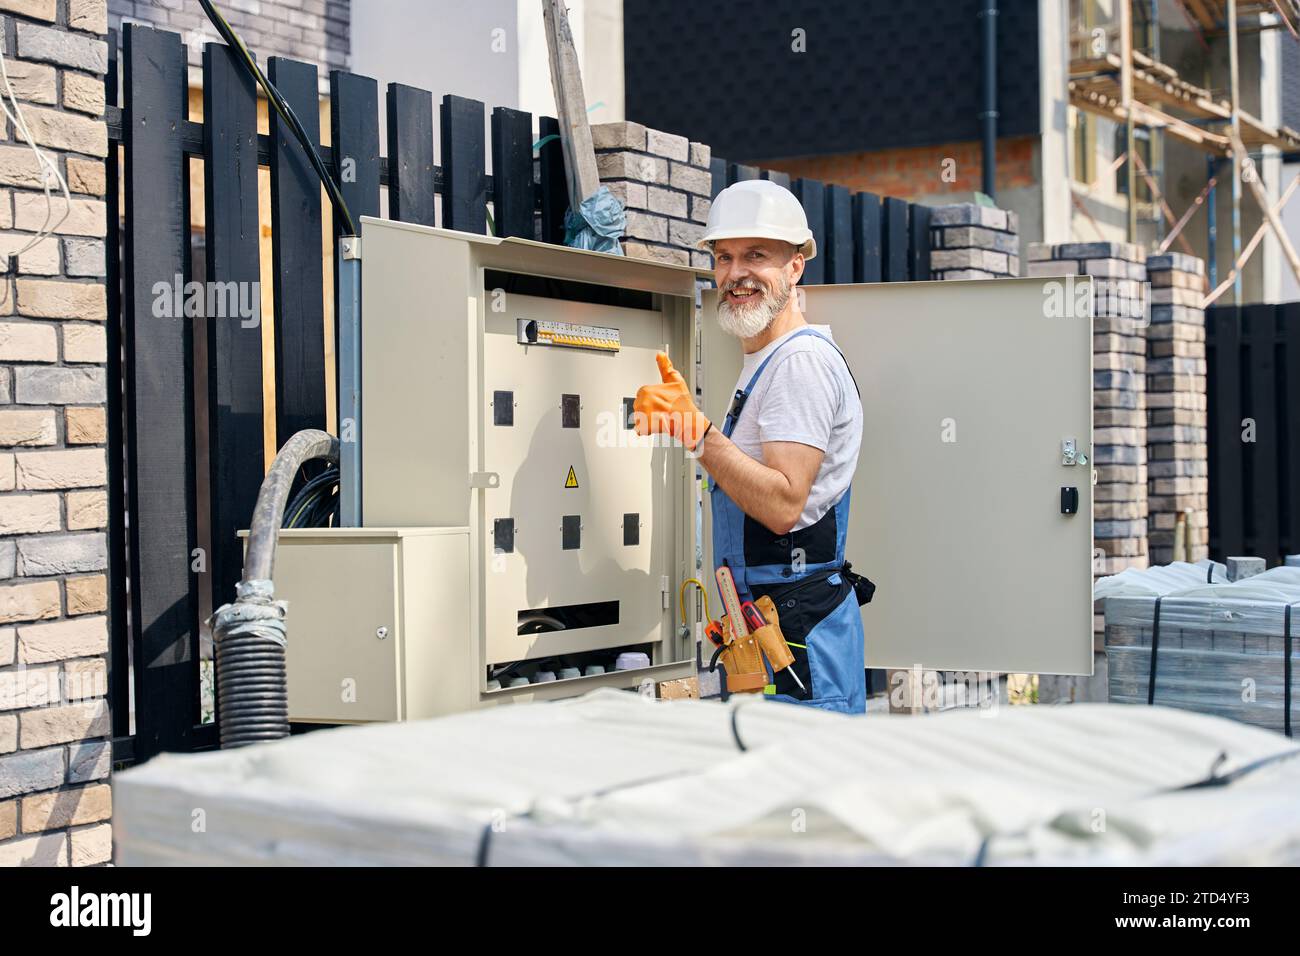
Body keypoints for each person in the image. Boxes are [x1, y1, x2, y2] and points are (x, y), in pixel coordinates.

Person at [633, 179, 867, 713]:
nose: (735, 273)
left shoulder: (796, 363)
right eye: (724, 257)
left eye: (756, 255)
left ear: (795, 266)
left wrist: (696, 433)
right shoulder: (768, 360)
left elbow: (785, 505)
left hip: (800, 633)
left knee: (800, 786)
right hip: (772, 626)